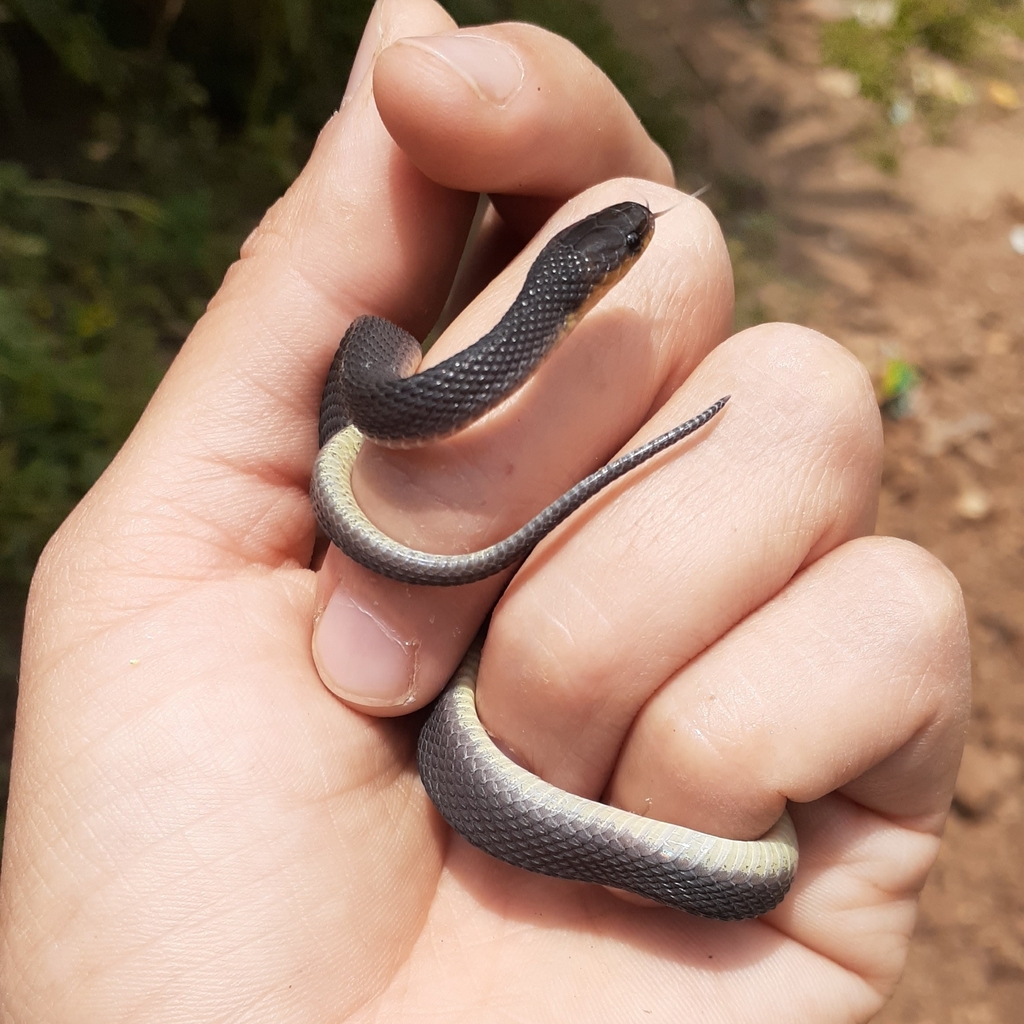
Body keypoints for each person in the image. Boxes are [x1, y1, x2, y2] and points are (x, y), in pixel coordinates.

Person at [0, 1, 970, 1020]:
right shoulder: (399, 378)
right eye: (631, 249)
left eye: (631, 243)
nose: (644, 239)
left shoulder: (435, 368)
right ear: (591, 284)